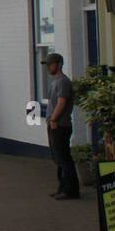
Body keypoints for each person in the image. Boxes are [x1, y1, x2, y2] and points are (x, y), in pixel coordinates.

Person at [45, 53, 79, 200]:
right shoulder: (55, 81)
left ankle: (70, 190)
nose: (48, 67)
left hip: (60, 125)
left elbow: (62, 102)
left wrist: (54, 119)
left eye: (50, 64)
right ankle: (62, 187)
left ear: (58, 64)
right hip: (54, 124)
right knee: (59, 159)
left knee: (64, 158)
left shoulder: (63, 81)